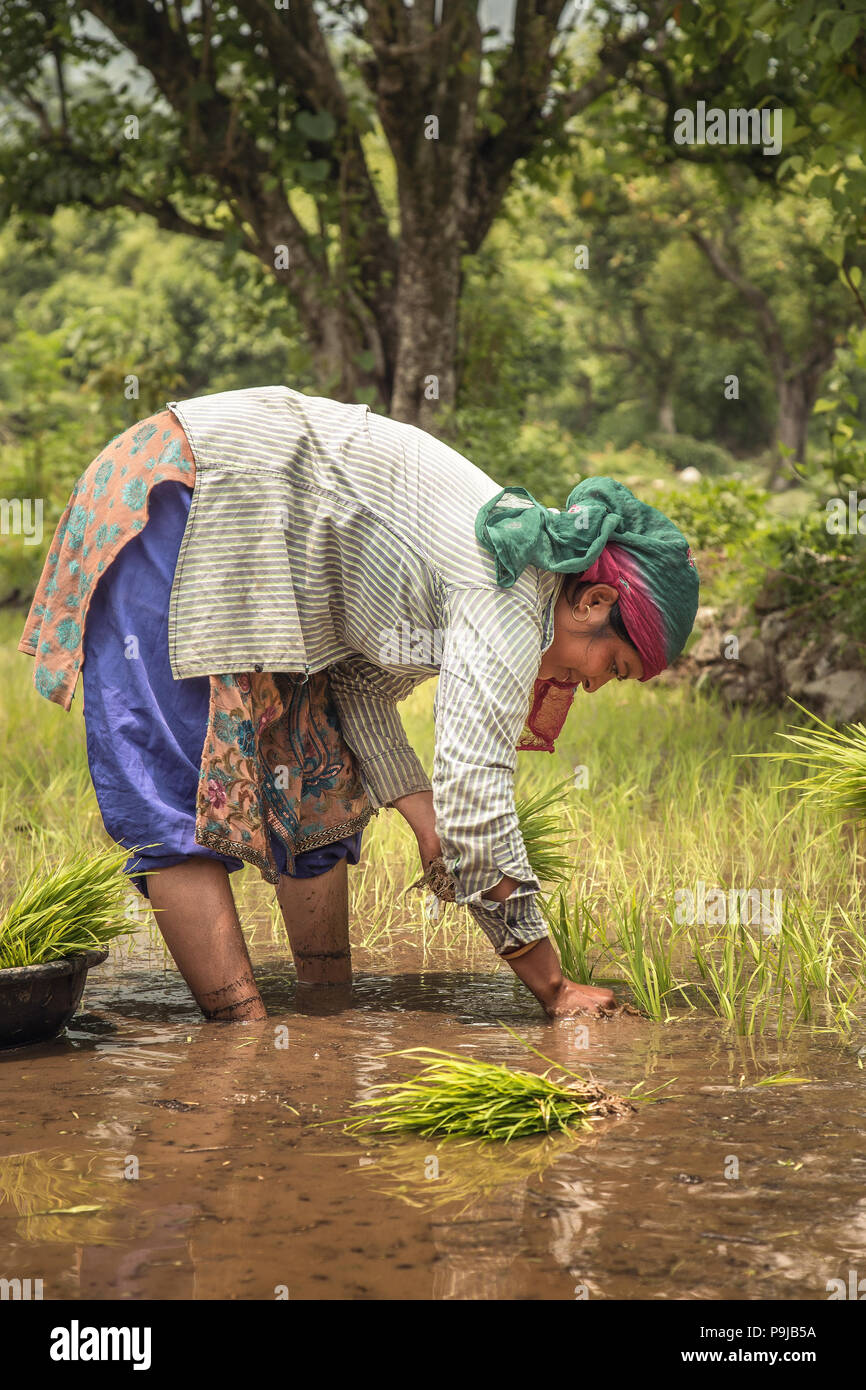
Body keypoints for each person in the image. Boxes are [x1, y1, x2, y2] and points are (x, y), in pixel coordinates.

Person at [19, 385, 699, 1023]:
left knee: (319, 767)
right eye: (614, 665)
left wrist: (421, 817)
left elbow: (361, 690)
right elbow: (479, 815)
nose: (595, 685)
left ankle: (324, 1014)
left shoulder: (518, 575)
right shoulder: (508, 595)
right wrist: (554, 988)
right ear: (594, 601)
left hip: (269, 542)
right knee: (180, 792)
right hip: (193, 493)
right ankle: (243, 1042)